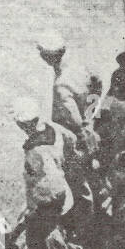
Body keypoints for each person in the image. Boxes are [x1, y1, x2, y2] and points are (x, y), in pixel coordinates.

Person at [13, 97, 94, 234]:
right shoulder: (54, 129)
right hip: (68, 175)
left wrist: (32, 208)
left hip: (53, 199)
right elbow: (72, 140)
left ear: (21, 125)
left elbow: (45, 185)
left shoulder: (34, 152)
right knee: (83, 198)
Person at [35, 31, 101, 137]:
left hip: (78, 131)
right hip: (90, 116)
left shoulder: (60, 86)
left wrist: (84, 128)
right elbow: (97, 83)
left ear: (46, 57)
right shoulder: (81, 63)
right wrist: (91, 115)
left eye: (41, 52)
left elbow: (76, 121)